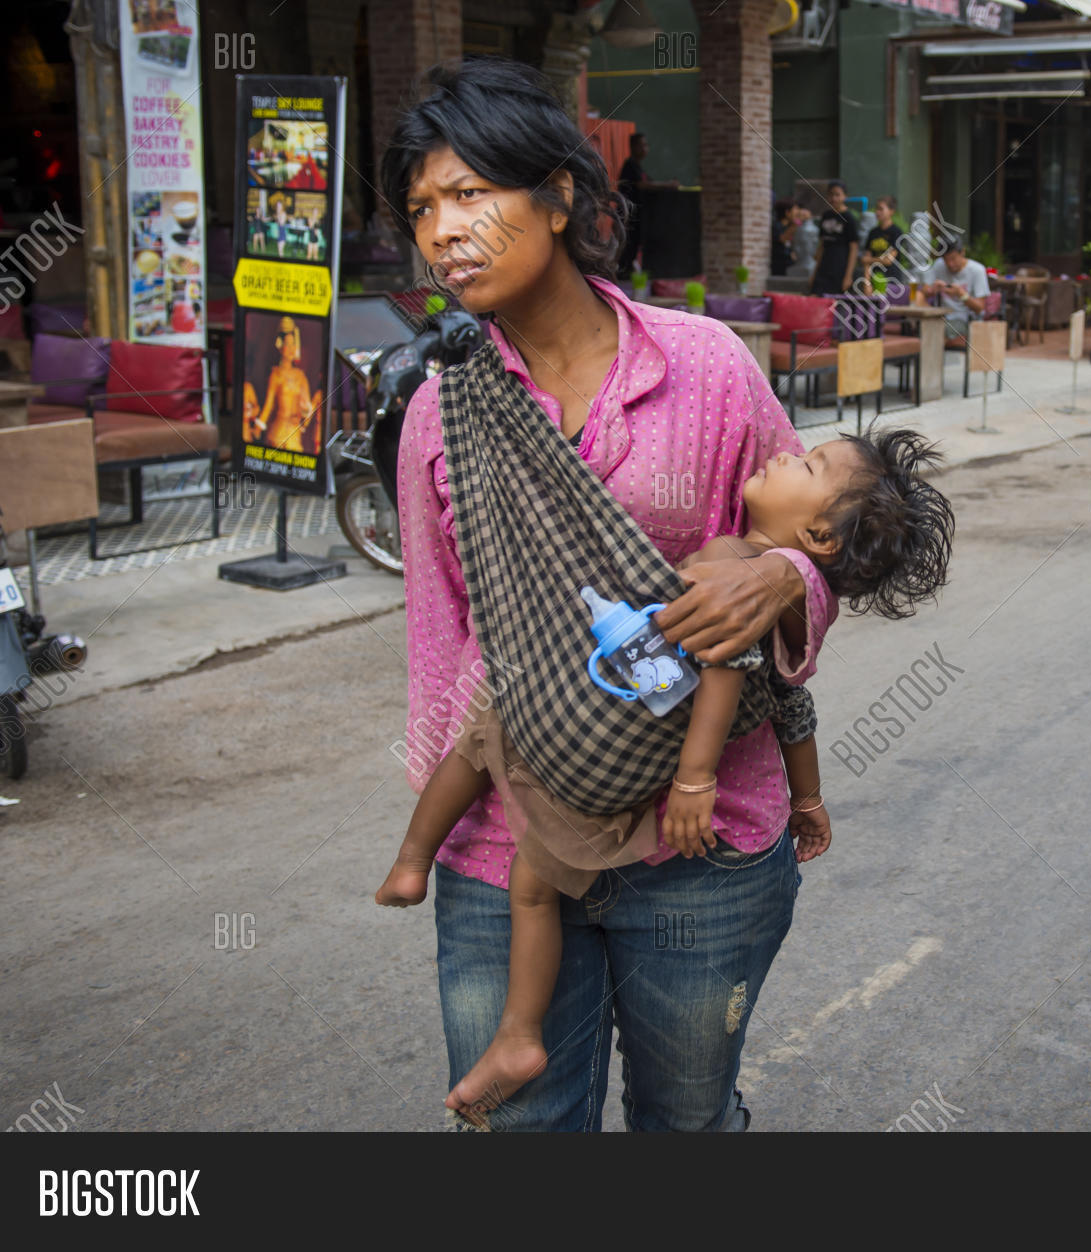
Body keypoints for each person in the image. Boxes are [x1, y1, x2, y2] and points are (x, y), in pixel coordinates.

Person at [381, 57, 842, 1132]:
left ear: (558, 197)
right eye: (421, 209)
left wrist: (785, 577)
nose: (443, 230)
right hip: (511, 839)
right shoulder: (439, 418)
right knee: (523, 1132)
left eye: (469, 193)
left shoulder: (707, 367)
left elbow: (813, 542)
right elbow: (440, 639)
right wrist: (446, 819)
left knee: (685, 1120)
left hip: (703, 840)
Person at [376, 427, 953, 1125]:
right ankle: (501, 1006)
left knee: (502, 809)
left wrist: (694, 780)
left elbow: (722, 669)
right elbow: (794, 716)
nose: (784, 452)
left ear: (820, 535)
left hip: (604, 748)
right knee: (525, 858)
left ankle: (503, 1007)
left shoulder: (728, 560)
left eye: (807, 463)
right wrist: (809, 801)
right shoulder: (760, 577)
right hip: (613, 747)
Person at [252, 316, 323, 453]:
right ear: (280, 346)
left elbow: (307, 408)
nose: (291, 349)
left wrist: (308, 410)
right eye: (287, 344)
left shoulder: (300, 376)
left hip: (294, 433)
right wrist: (258, 427)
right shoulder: (276, 374)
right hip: (277, 431)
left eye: (293, 344)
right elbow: (268, 405)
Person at [614, 132, 677, 281]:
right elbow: (643, 185)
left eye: (646, 145)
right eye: (641, 145)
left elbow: (649, 182)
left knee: (634, 247)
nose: (645, 148)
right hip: (627, 215)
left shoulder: (638, 167)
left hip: (637, 216)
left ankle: (628, 276)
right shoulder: (629, 166)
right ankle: (623, 278)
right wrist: (667, 185)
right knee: (627, 248)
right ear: (633, 147)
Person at [920, 239, 989, 340]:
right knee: (923, 328)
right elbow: (924, 291)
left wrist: (961, 295)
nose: (950, 264)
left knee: (937, 331)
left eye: (953, 259)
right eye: (946, 260)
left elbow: (980, 308)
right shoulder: (939, 265)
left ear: (963, 252)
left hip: (966, 320)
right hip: (941, 317)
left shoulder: (977, 270)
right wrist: (932, 290)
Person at [810, 179, 860, 295]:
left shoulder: (849, 218)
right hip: (824, 267)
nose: (834, 198)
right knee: (815, 299)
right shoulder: (826, 215)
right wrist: (814, 274)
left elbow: (854, 248)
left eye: (838, 195)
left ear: (845, 196)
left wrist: (848, 276)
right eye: (831, 194)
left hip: (840, 268)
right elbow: (822, 245)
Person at [860, 195, 908, 287]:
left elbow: (888, 260)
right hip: (874, 278)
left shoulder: (896, 232)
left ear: (891, 211)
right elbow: (866, 260)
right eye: (876, 209)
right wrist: (867, 283)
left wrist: (869, 260)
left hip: (892, 280)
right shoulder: (873, 232)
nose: (877, 212)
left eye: (881, 209)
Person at [771, 199, 799, 276]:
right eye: (795, 209)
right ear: (787, 212)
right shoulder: (776, 226)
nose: (798, 212)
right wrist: (796, 223)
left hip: (789, 265)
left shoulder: (788, 227)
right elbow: (782, 239)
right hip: (779, 267)